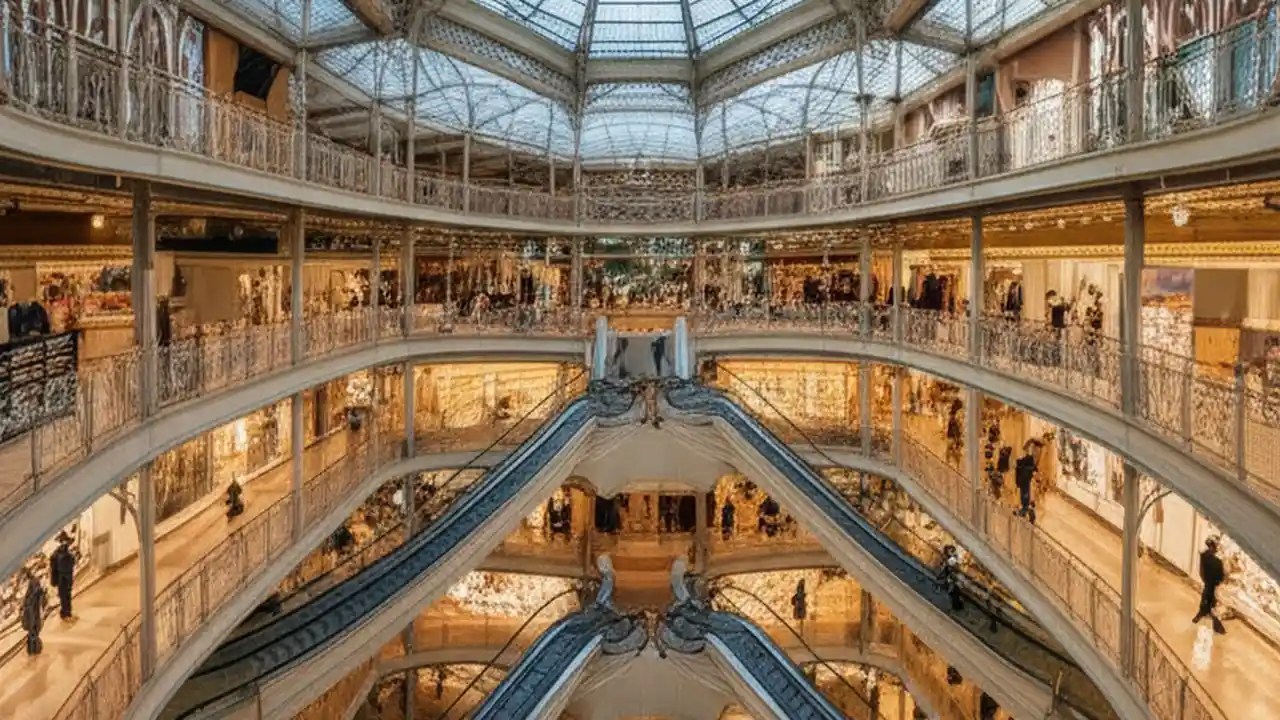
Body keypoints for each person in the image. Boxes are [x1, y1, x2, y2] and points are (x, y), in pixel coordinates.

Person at [1193, 537, 1228, 634]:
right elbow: (1221, 576)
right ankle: (1214, 624)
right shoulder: (1217, 561)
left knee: (1206, 600)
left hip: (1208, 582)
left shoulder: (1204, 556)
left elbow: (1201, 571)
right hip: (1211, 583)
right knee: (1210, 602)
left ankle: (1202, 614)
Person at [49, 532, 76, 621]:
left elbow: (54, 568)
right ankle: (66, 614)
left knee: (65, 596)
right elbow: (71, 564)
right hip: (66, 578)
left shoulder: (57, 555)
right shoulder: (66, 555)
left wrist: (54, 580)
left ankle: (66, 613)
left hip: (63, 579)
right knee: (66, 596)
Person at [21, 570, 46, 656]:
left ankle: (34, 650)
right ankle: (34, 649)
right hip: (32, 609)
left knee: (33, 629)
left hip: (32, 609)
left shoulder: (33, 584)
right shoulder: (34, 583)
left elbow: (34, 596)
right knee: (33, 629)